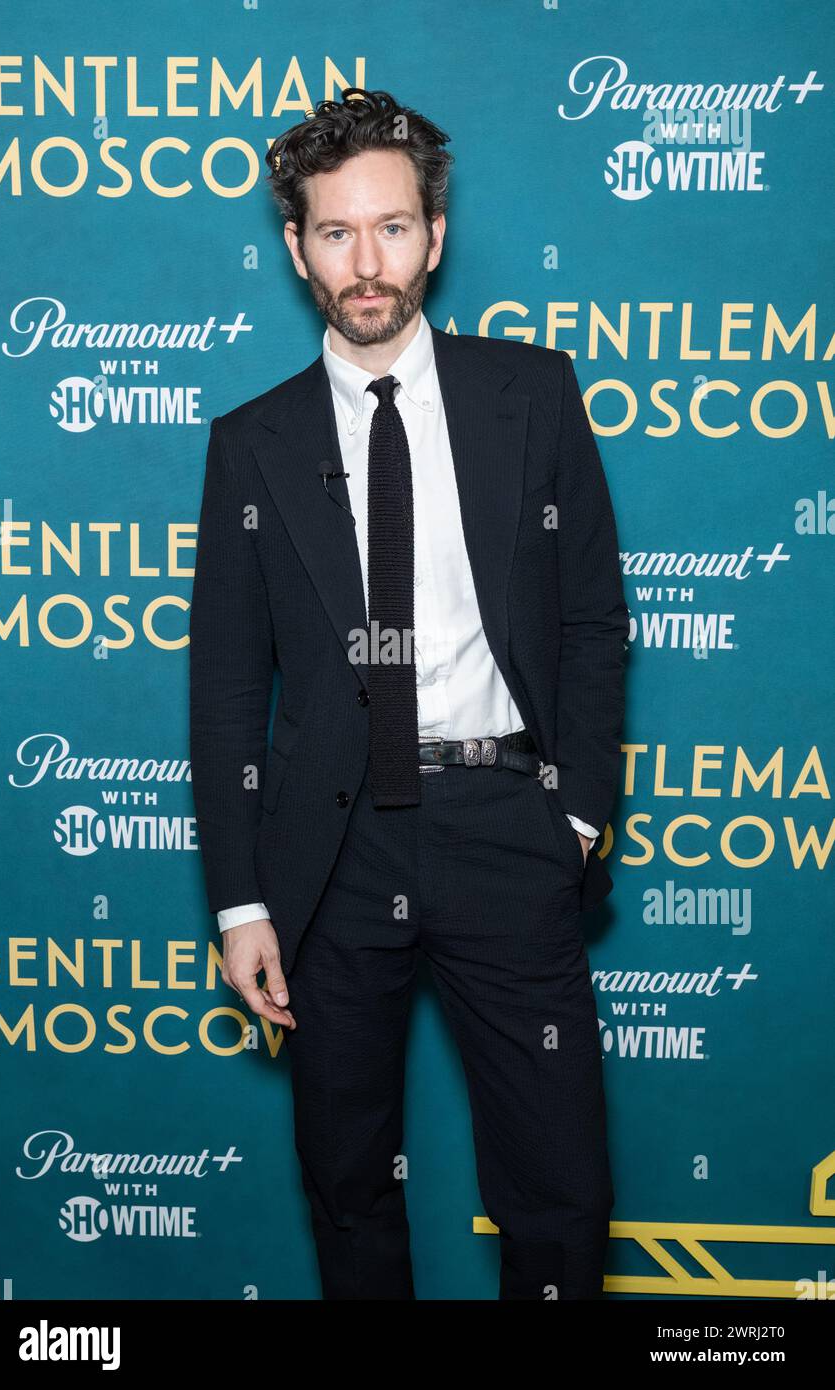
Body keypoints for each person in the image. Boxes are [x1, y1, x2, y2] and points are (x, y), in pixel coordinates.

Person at [189, 88, 629, 1300]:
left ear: (434, 233)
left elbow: (592, 622)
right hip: (329, 853)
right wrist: (240, 900)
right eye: (336, 233)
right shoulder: (251, 443)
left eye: (390, 227)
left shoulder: (532, 394)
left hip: (506, 825)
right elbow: (226, 683)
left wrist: (574, 815)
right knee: (347, 1185)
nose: (366, 263)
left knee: (560, 1190)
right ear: (297, 250)